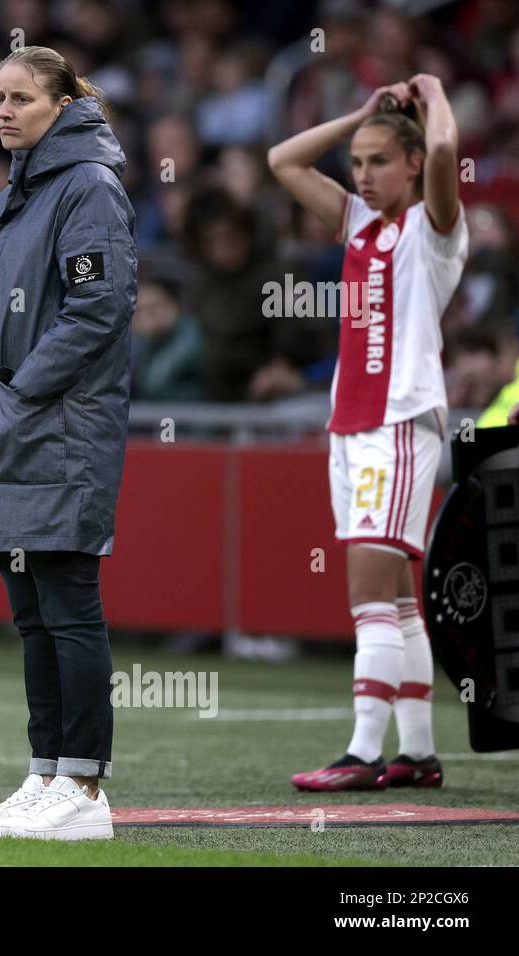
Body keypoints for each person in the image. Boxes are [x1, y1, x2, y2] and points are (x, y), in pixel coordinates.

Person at [0, 46, 137, 841]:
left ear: (62, 104)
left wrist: (20, 391)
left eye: (22, 97)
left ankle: (85, 789)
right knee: (32, 613)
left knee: (67, 604)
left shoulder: (88, 186)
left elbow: (100, 308)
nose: (5, 109)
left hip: (59, 428)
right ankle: (46, 773)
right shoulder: (12, 197)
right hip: (12, 427)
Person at [268, 75, 467, 790]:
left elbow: (444, 143)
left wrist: (433, 93)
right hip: (351, 427)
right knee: (401, 597)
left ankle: (362, 752)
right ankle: (416, 752)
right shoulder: (358, 223)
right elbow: (283, 161)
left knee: (368, 597)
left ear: (412, 165)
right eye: (357, 163)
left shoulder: (433, 229)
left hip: (400, 423)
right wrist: (359, 113)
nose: (363, 175)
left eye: (379, 160)